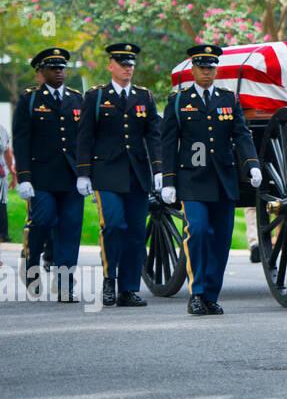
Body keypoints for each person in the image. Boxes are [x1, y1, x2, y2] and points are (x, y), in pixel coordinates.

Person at [161, 45, 262, 315]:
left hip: (223, 179)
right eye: (202, 67)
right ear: (193, 69)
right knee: (199, 230)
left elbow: (241, 134)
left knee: (221, 239)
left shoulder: (228, 99)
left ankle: (211, 296)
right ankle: (197, 293)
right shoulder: (179, 100)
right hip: (192, 180)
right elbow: (169, 142)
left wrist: (252, 164)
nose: (207, 72)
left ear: (216, 70)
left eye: (211, 68)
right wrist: (168, 180)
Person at [76, 42, 162, 308]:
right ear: (110, 66)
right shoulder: (96, 96)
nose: (128, 68)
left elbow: (154, 135)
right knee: (113, 225)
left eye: (131, 64)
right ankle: (108, 279)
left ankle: (128, 288)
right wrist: (83, 173)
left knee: (136, 231)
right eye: (123, 64)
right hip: (106, 172)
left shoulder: (144, 96)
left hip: (136, 173)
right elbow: (85, 136)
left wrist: (159, 169)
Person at [12, 47, 84, 301]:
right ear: (40, 72)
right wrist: (23, 176)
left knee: (70, 228)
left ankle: (65, 285)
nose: (59, 72)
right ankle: (31, 261)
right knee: (42, 220)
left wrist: (87, 173)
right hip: (41, 176)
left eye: (62, 67)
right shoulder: (30, 99)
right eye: (53, 68)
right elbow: (21, 141)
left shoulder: (77, 99)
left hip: (71, 176)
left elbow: (85, 140)